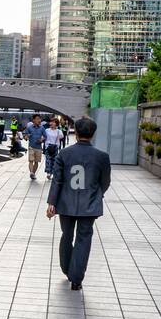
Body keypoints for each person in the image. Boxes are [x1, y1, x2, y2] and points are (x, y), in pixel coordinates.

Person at [46, 116, 111, 291]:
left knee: (67, 235)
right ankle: (76, 278)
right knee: (84, 239)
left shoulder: (64, 154)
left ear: (76, 132)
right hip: (89, 205)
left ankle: (67, 268)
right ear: (93, 134)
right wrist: (97, 194)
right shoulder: (102, 157)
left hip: (65, 203)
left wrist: (52, 202)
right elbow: (105, 182)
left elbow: (57, 180)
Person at [24, 114, 48, 181]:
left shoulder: (42, 128)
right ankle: (31, 172)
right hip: (31, 146)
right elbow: (25, 137)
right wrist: (27, 136)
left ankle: (33, 174)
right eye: (37, 119)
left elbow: (45, 136)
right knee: (31, 160)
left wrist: (41, 140)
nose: (39, 120)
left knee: (36, 162)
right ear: (33, 120)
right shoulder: (29, 128)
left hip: (39, 147)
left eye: (39, 119)